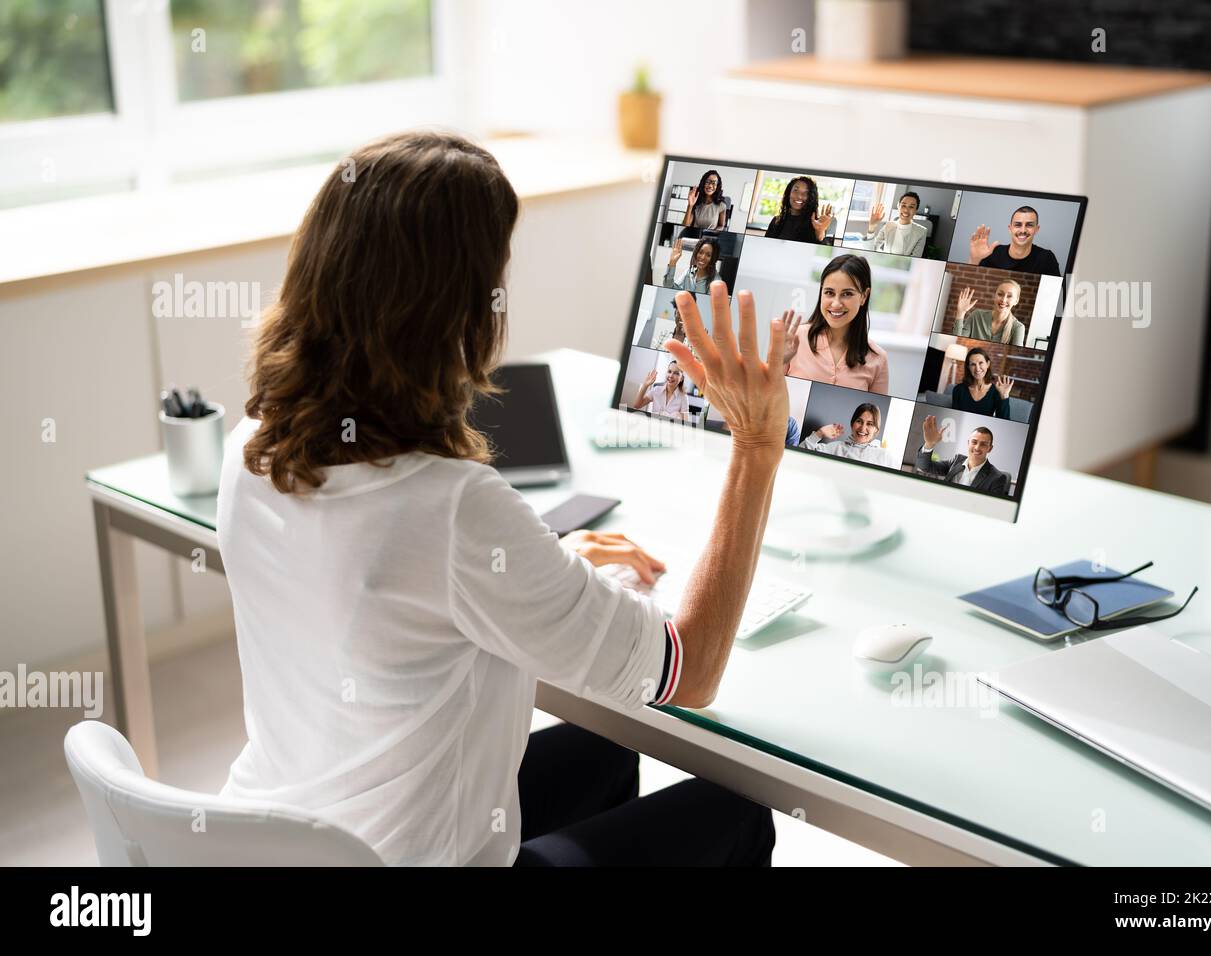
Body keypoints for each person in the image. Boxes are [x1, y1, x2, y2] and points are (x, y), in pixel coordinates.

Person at [218, 130, 786, 867]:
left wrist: (533, 567)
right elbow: (691, 671)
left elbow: (397, 591)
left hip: (282, 845)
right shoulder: (449, 507)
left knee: (604, 749)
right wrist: (756, 447)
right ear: (451, 309)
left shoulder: (251, 444)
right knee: (734, 806)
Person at [780, 254, 889, 392]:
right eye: (829, 292)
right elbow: (766, 394)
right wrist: (777, 361)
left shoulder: (878, 359)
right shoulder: (795, 338)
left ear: (864, 296)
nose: (836, 304)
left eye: (847, 294)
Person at [914, 415, 1011, 494]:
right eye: (974, 442)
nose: (977, 447)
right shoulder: (956, 461)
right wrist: (930, 444)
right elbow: (924, 467)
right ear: (968, 443)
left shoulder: (997, 478)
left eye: (983, 444)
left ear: (990, 448)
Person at [967, 206, 1061, 276]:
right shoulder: (993, 253)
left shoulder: (1046, 258)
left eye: (1029, 225)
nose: (1023, 230)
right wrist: (974, 260)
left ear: (1037, 229)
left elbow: (1054, 298)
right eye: (1018, 225)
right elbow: (970, 284)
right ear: (1010, 228)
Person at [800, 402, 897, 467]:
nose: (863, 428)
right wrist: (819, 433)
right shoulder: (836, 448)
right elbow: (800, 453)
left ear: (876, 429)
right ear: (852, 423)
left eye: (870, 424)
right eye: (859, 421)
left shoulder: (885, 456)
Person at [764, 176, 835, 245]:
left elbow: (822, 250)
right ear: (789, 193)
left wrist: (820, 231)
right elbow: (766, 246)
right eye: (796, 190)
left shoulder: (818, 223)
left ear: (811, 197)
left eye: (806, 192)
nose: (799, 196)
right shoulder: (776, 221)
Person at [953, 280, 1026, 346]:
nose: (1003, 300)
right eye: (1000, 294)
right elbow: (958, 342)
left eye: (1009, 296)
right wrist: (960, 313)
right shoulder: (977, 315)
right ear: (995, 295)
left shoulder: (1018, 328)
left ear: (1016, 301)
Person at [950, 346, 1014, 419]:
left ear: (988, 364)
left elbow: (1004, 422)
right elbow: (954, 417)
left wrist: (1004, 396)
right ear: (968, 367)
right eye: (973, 364)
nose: (977, 369)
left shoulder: (996, 392)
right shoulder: (958, 390)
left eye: (981, 363)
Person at [862, 191, 927, 256]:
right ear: (898, 207)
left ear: (916, 211)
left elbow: (915, 258)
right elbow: (871, 250)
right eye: (903, 205)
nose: (906, 210)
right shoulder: (888, 225)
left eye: (911, 207)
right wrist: (871, 227)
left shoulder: (921, 232)